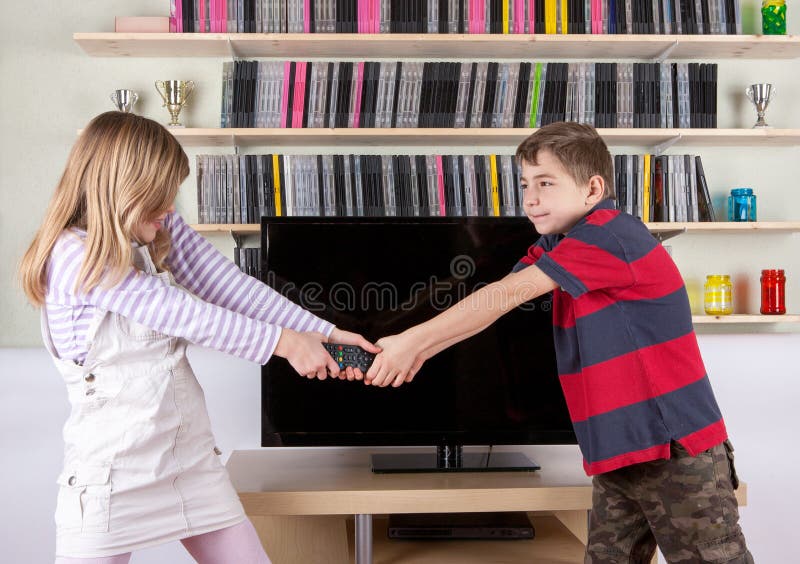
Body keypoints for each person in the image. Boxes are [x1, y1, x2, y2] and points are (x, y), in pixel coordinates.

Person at [365, 122, 753, 563]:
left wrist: (412, 343)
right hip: (617, 450)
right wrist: (407, 344)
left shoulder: (611, 234)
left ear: (592, 189)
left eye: (546, 184)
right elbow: (487, 298)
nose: (530, 199)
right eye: (525, 184)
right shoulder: (558, 244)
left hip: (674, 447)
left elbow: (506, 295)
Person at [18, 111, 379, 564]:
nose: (170, 209)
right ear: (121, 190)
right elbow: (185, 314)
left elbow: (227, 286)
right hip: (112, 476)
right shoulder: (72, 256)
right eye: (159, 197)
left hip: (189, 463)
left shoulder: (155, 229)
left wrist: (322, 332)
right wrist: (286, 344)